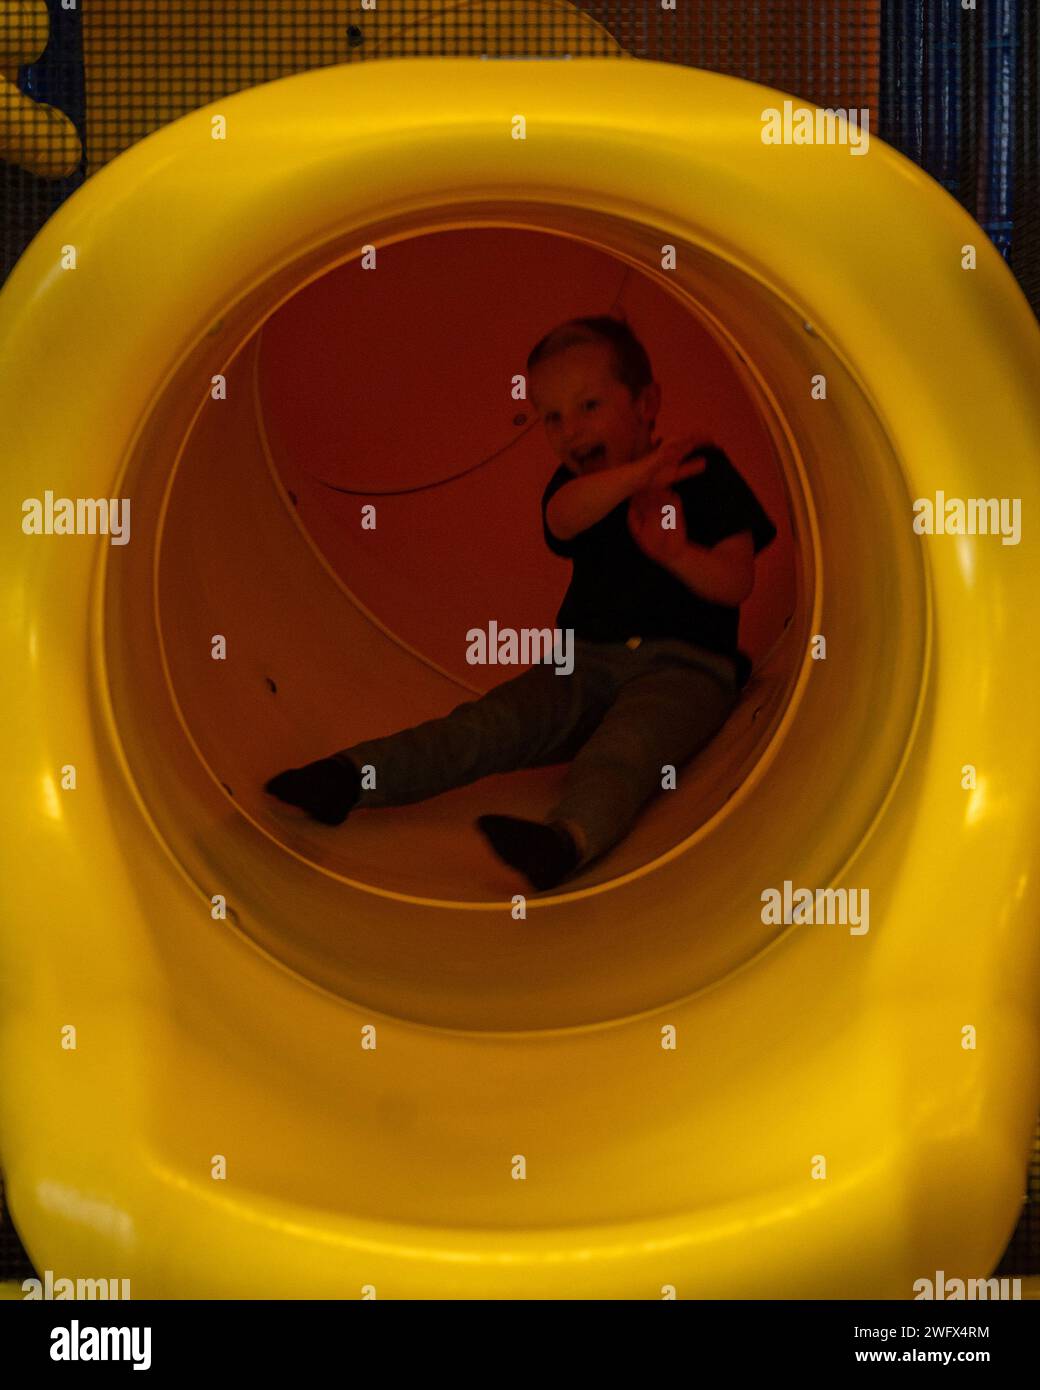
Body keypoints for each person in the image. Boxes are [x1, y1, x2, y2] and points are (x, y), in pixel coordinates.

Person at [265, 315, 777, 891]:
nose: (570, 430)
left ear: (647, 401)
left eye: (589, 407)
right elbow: (563, 518)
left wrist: (679, 555)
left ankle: (566, 841)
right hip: (581, 663)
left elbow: (737, 582)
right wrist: (639, 477)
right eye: (551, 417)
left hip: (687, 669)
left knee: (627, 749)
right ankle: (350, 778)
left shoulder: (706, 473)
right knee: (491, 723)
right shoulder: (577, 488)